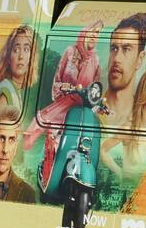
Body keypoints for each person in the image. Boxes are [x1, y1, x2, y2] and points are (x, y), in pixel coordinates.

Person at [22, 20, 104, 190]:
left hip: (80, 111)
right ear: (85, 32)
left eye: (98, 34)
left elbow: (95, 89)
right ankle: (46, 175)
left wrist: (99, 103)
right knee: (46, 140)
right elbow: (57, 80)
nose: (95, 36)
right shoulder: (69, 52)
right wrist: (64, 87)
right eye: (93, 32)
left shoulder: (95, 60)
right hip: (62, 105)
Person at [101, 67, 146, 194]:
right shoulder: (129, 126)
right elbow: (102, 150)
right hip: (129, 191)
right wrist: (119, 173)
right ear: (145, 91)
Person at [104, 13, 146, 118]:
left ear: (140, 59)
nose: (116, 59)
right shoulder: (88, 112)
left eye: (126, 49)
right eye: (114, 48)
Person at [0, 107, 36, 203]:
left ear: (15, 147)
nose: (5, 149)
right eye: (1, 139)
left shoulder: (27, 194)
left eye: (11, 140)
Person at [0, 24, 39, 123]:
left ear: (32, 58)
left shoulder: (15, 90)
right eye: (16, 50)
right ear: (8, 57)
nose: (21, 56)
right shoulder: (6, 90)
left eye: (26, 50)